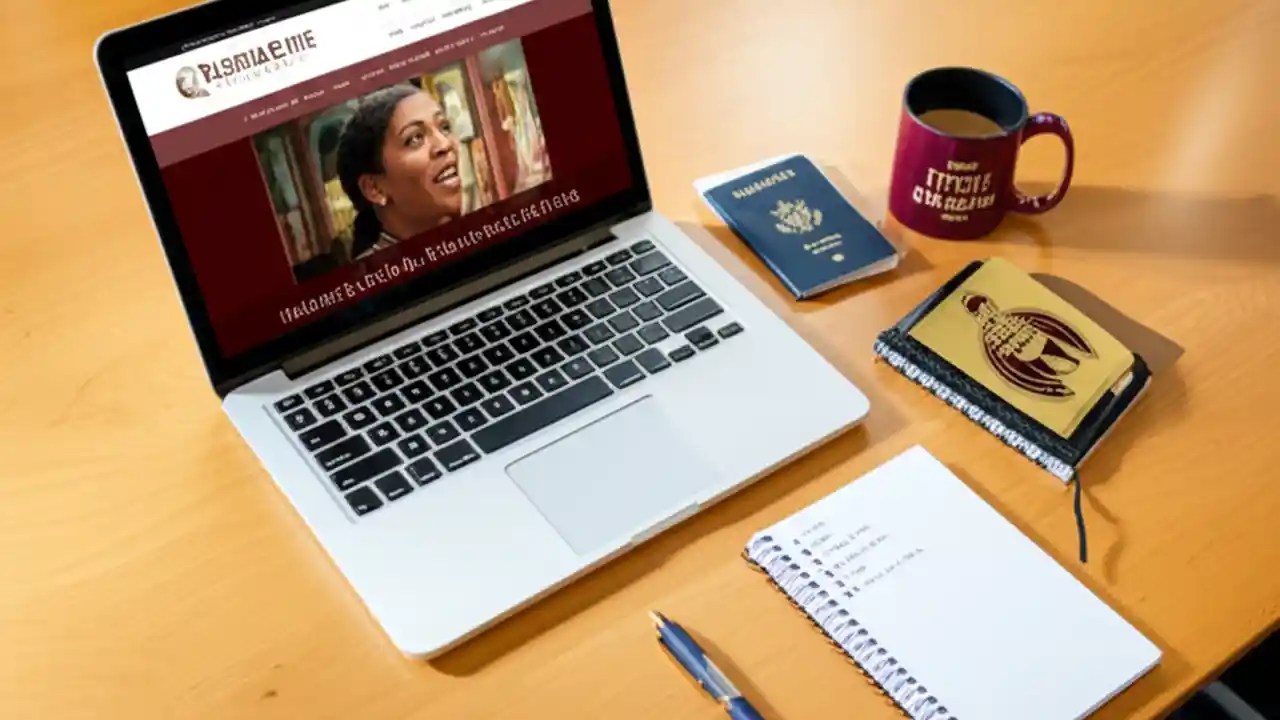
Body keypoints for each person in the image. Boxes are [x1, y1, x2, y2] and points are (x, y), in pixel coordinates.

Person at [336, 84, 464, 261]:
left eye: (444, 127)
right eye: (415, 138)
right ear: (374, 188)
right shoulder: (373, 281)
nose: (445, 144)